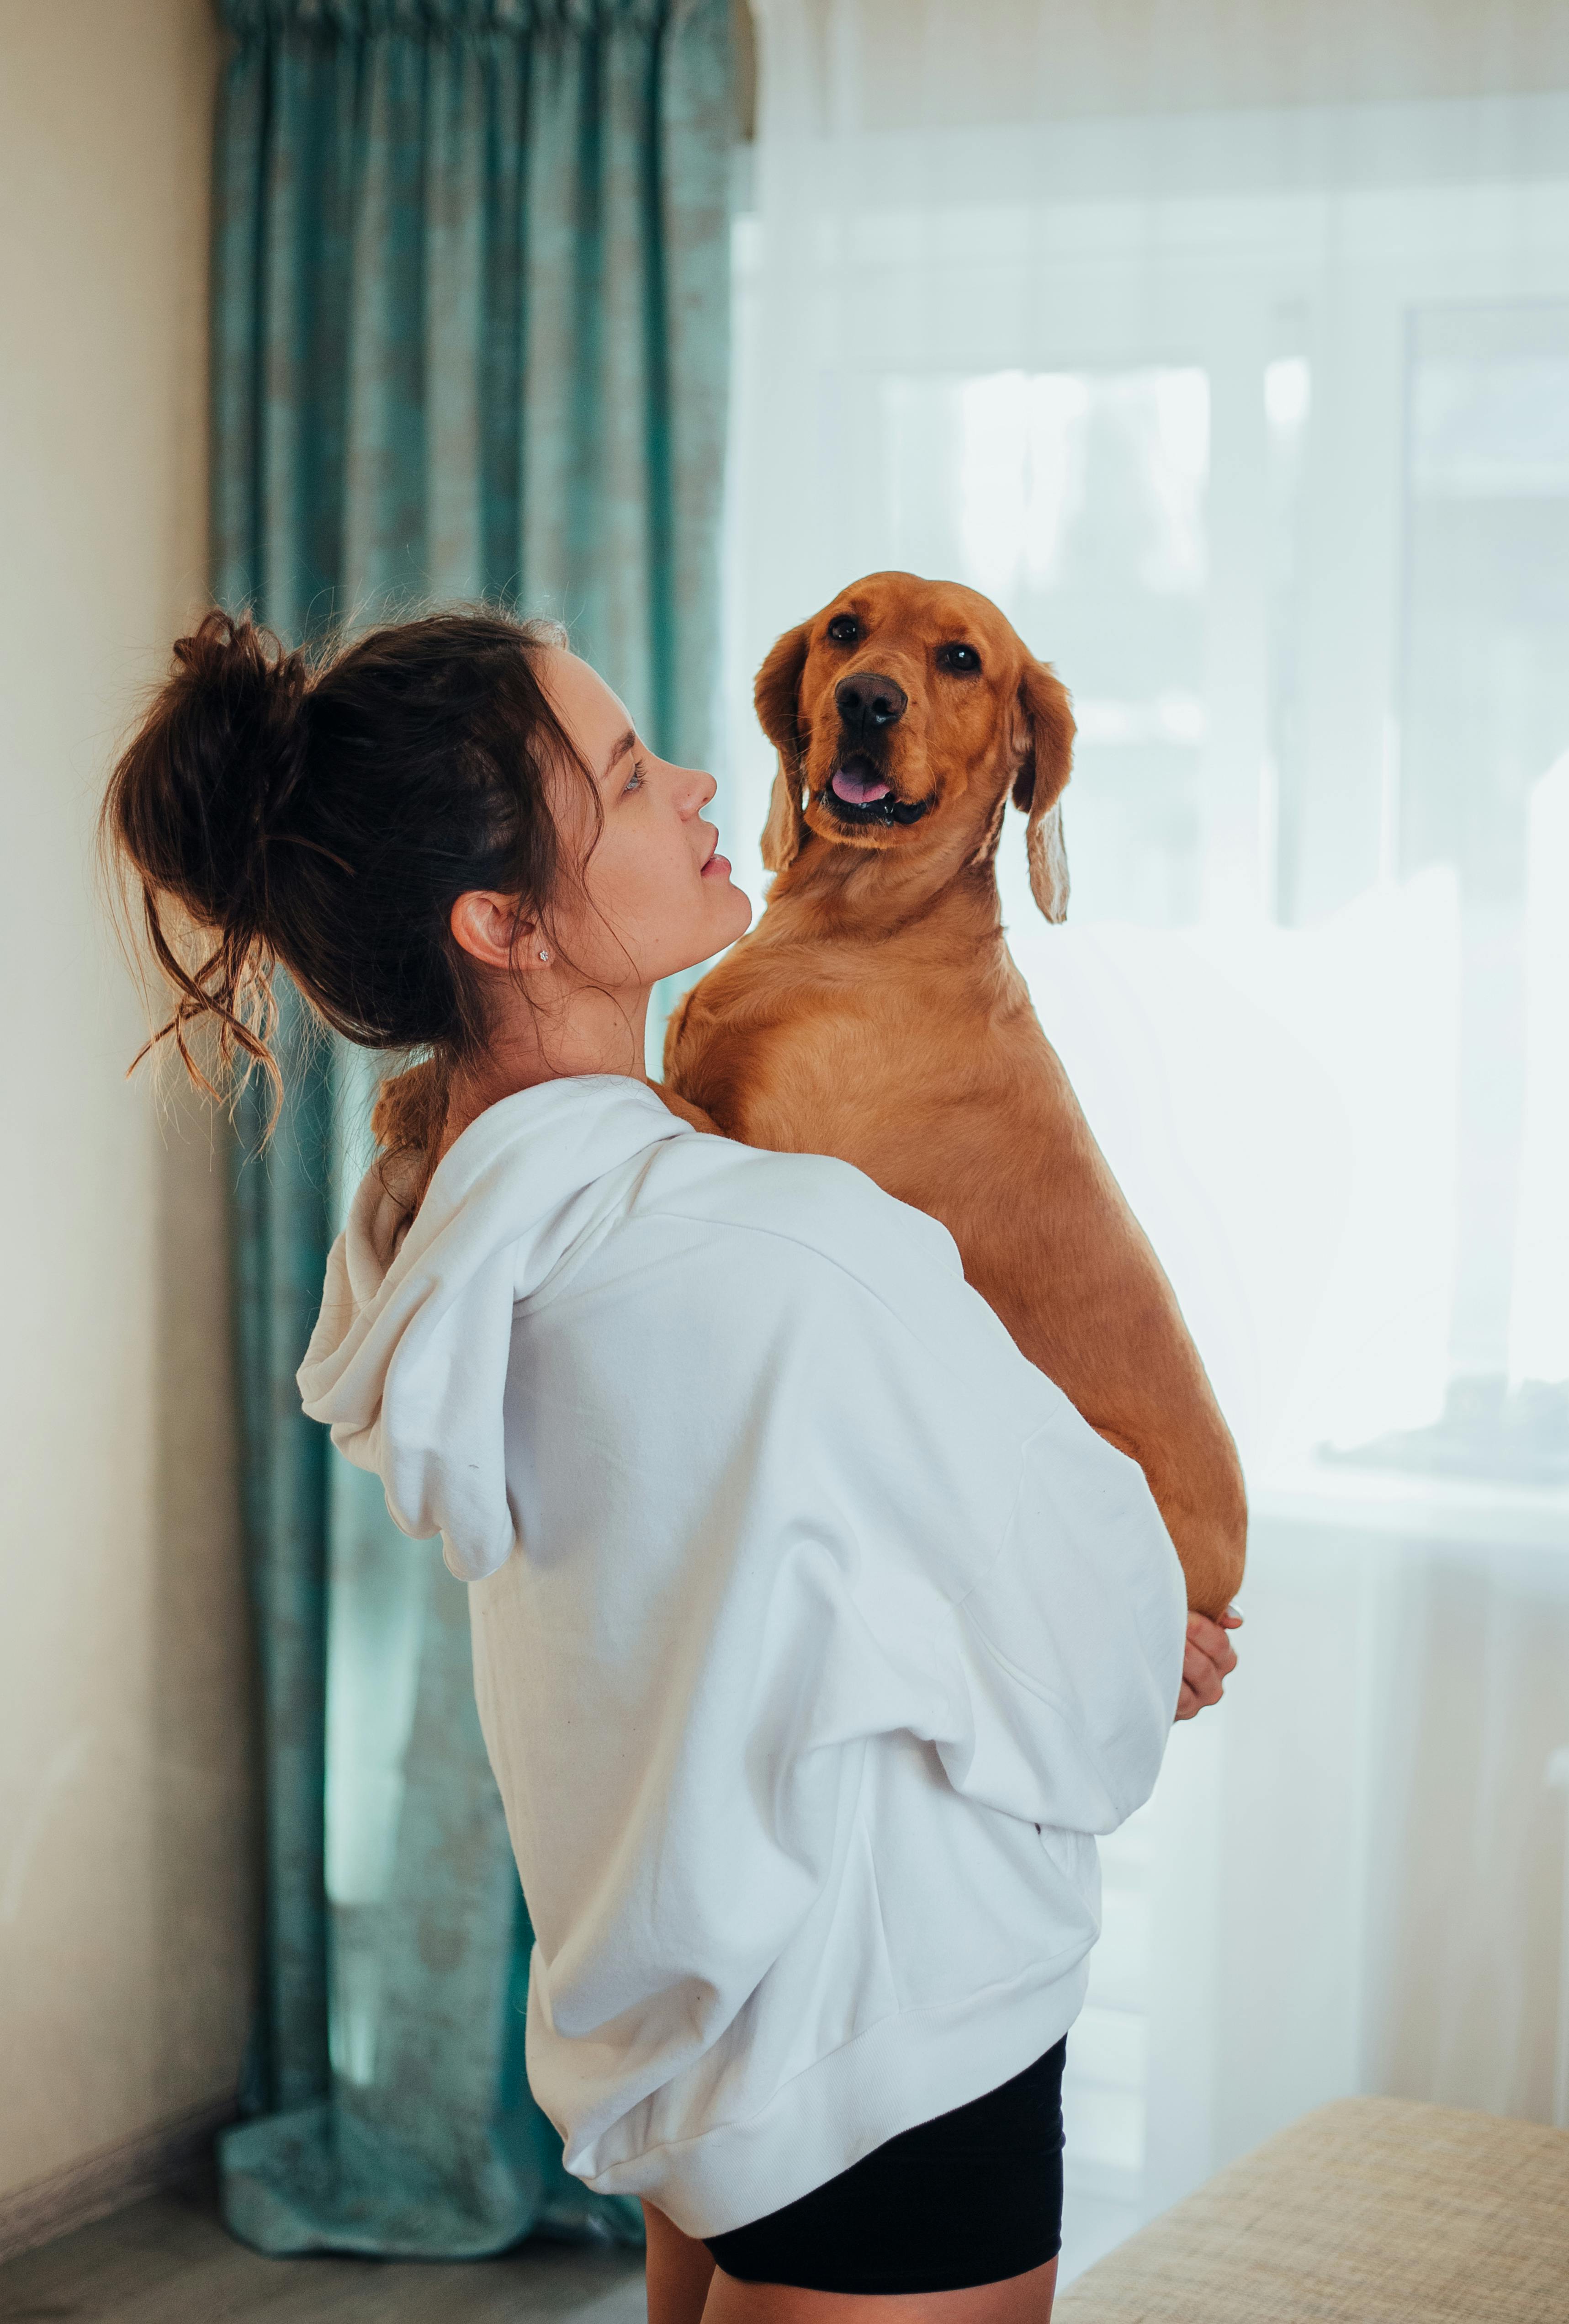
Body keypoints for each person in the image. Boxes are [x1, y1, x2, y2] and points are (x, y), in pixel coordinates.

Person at [104, 607, 1240, 2324]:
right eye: (630, 777)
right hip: (891, 2037)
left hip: (665, 2021)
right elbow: (1099, 1671)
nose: (711, 777)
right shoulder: (794, 1256)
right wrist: (1139, 1615)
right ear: (499, 921)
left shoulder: (438, 1229)